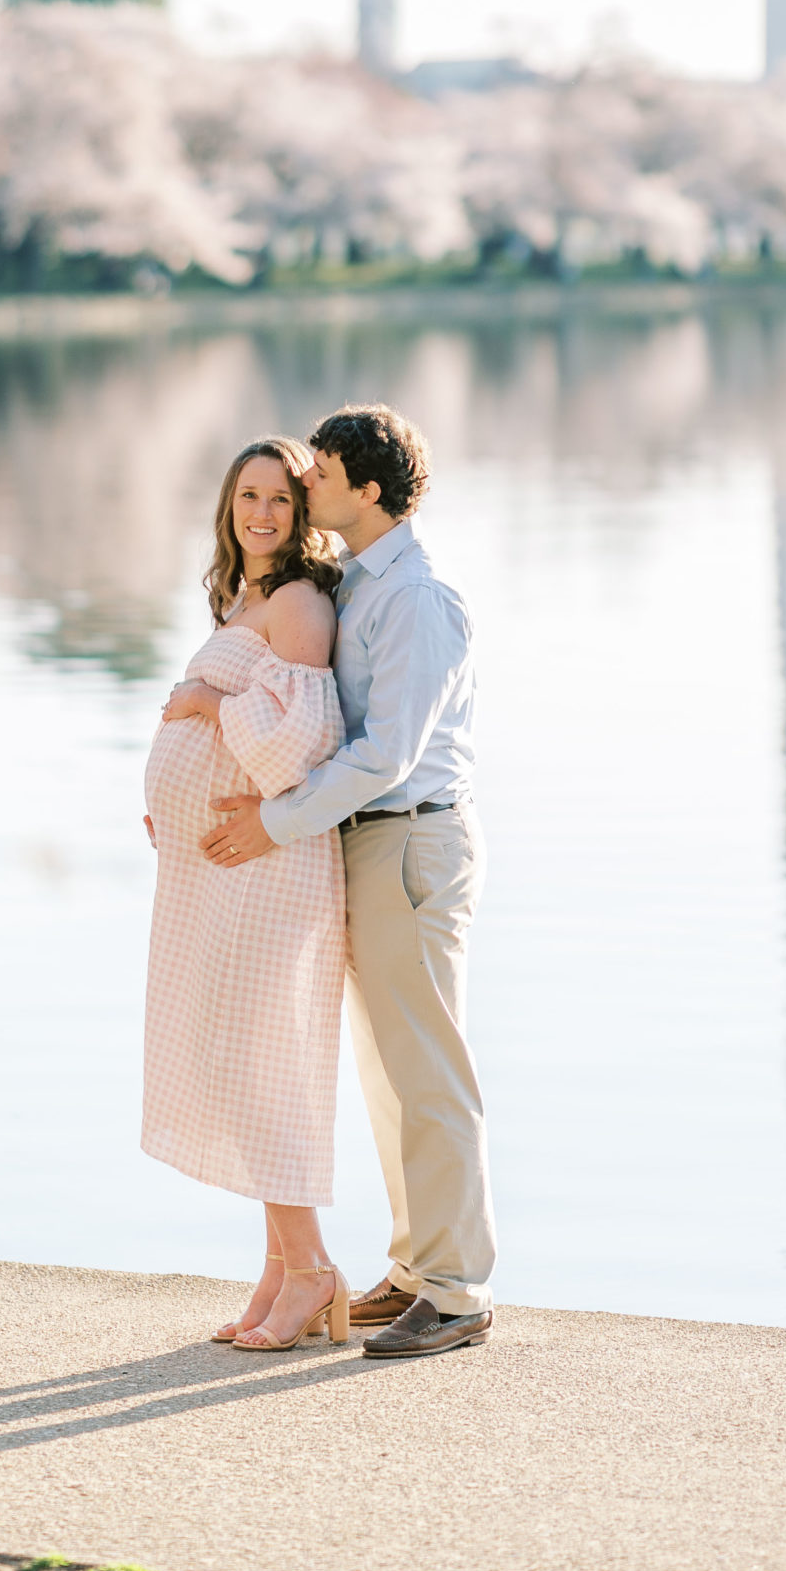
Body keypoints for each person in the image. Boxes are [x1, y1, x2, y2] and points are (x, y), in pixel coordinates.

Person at [202, 402, 495, 1359]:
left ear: (367, 490)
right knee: (387, 1073)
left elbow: (386, 753)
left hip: (408, 840)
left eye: (321, 473)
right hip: (365, 844)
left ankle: (455, 1293)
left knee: (427, 1072)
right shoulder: (361, 583)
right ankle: (415, 1271)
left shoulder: (416, 597)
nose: (304, 484)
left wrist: (272, 824)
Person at [142, 435, 352, 1352]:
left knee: (260, 1064)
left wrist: (204, 705)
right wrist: (172, 793)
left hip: (268, 864)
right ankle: (280, 1268)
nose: (261, 514)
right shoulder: (244, 597)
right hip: (218, 865)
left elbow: (300, 742)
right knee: (232, 1057)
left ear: (301, 513)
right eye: (247, 497)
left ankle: (310, 1271)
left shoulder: (300, 603)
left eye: (278, 499)